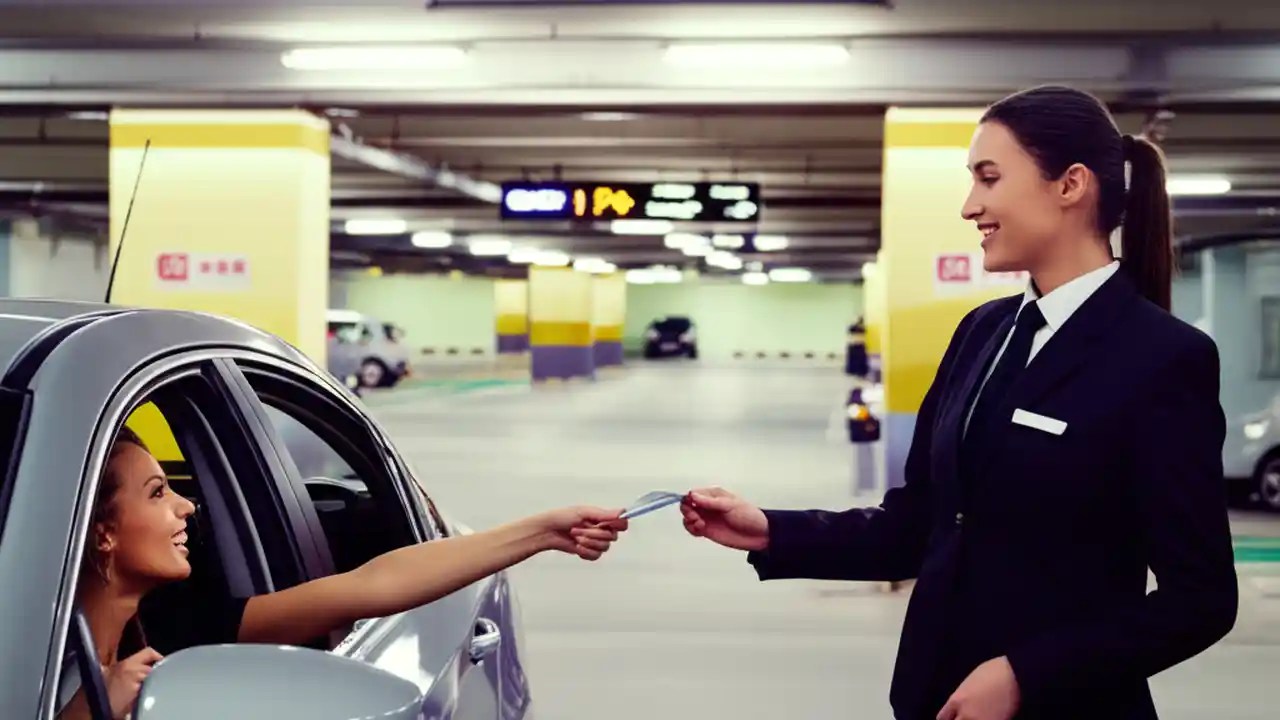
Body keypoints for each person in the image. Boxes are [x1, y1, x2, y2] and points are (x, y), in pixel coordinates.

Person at [680, 85, 1237, 720]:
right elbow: (920, 525)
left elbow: (1201, 600)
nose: (971, 206)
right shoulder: (982, 332)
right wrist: (773, 529)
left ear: (1070, 185)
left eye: (989, 178)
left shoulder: (1163, 357)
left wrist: (1027, 675)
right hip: (934, 699)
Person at [60, 426, 628, 719]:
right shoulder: (30, 655)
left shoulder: (178, 629)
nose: (187, 507)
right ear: (102, 532)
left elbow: (367, 587)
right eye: (159, 493)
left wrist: (542, 532)